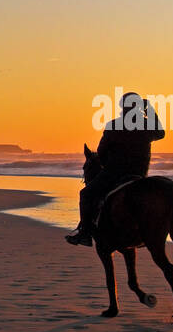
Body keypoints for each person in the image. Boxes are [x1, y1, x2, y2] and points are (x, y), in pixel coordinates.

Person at [65, 91, 165, 246]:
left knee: (86, 193)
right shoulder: (147, 124)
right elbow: (161, 133)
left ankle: (85, 233)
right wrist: (149, 109)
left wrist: (106, 165)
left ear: (122, 107)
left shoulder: (113, 125)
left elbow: (102, 153)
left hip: (115, 172)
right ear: (139, 107)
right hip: (140, 173)